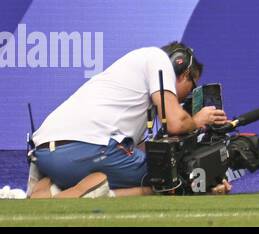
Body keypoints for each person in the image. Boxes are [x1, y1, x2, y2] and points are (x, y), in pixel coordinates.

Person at [29, 43, 228, 198]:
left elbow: (138, 152)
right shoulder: (158, 59)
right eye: (192, 85)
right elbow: (176, 123)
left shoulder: (132, 89)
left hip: (45, 156)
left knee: (155, 166)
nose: (187, 96)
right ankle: (98, 196)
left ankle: (53, 187)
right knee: (168, 179)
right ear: (182, 71)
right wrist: (197, 121)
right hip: (87, 150)